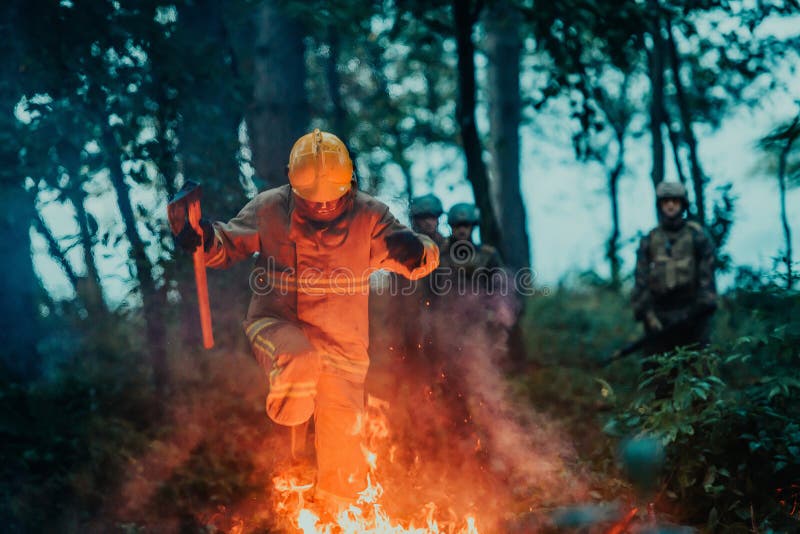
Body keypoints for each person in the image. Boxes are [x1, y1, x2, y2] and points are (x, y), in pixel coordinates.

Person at [170, 129, 439, 509]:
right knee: (300, 362)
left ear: (351, 184)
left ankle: (334, 514)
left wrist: (416, 251)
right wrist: (198, 236)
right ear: (291, 184)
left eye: (332, 202)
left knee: (344, 457)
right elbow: (226, 244)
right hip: (278, 325)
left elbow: (422, 258)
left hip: (345, 346)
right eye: (313, 203)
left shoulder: (369, 215)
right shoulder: (269, 209)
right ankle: (291, 453)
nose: (323, 210)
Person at [632, 181, 718, 356]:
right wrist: (648, 314)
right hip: (659, 317)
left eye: (675, 201)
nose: (670, 205)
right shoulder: (649, 240)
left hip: (692, 315)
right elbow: (641, 280)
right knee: (657, 374)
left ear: (683, 204)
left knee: (697, 371)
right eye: (665, 201)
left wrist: (698, 311)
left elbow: (707, 278)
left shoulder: (697, 236)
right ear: (660, 205)